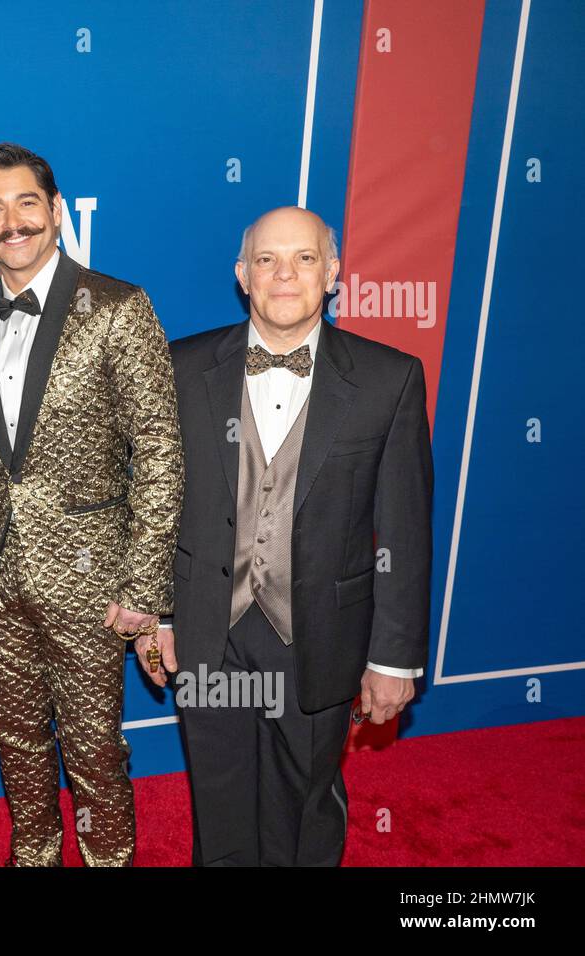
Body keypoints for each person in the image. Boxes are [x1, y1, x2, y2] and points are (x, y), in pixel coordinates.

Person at [150, 205, 432, 865]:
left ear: (332, 273)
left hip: (319, 633)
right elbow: (157, 504)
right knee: (216, 802)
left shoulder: (389, 379)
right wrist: (157, 611)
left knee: (306, 804)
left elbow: (405, 528)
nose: (285, 275)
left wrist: (392, 658)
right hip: (206, 628)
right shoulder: (181, 366)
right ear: (242, 274)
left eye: (304, 258)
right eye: (268, 260)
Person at [0, 143, 183, 866]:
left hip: (92, 583)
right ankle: (32, 856)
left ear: (58, 212)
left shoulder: (118, 307)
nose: (12, 223)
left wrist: (144, 589)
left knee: (96, 749)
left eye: (26, 204)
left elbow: (160, 457)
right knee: (13, 744)